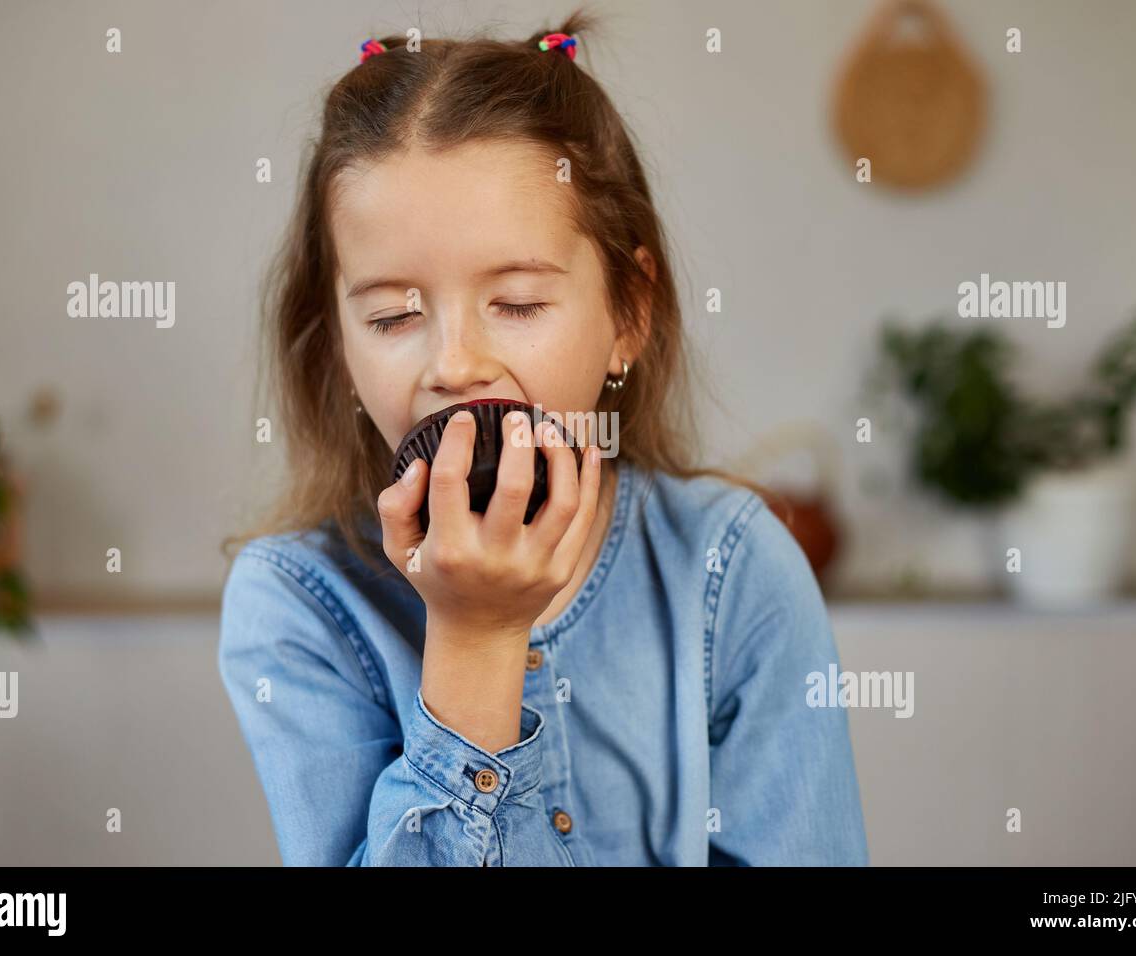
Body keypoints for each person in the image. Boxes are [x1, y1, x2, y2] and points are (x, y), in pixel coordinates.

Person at [218, 10, 869, 866]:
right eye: (391, 315)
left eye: (518, 304)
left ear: (629, 313)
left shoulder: (735, 569)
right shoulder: (296, 605)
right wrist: (476, 642)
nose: (454, 365)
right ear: (338, 344)